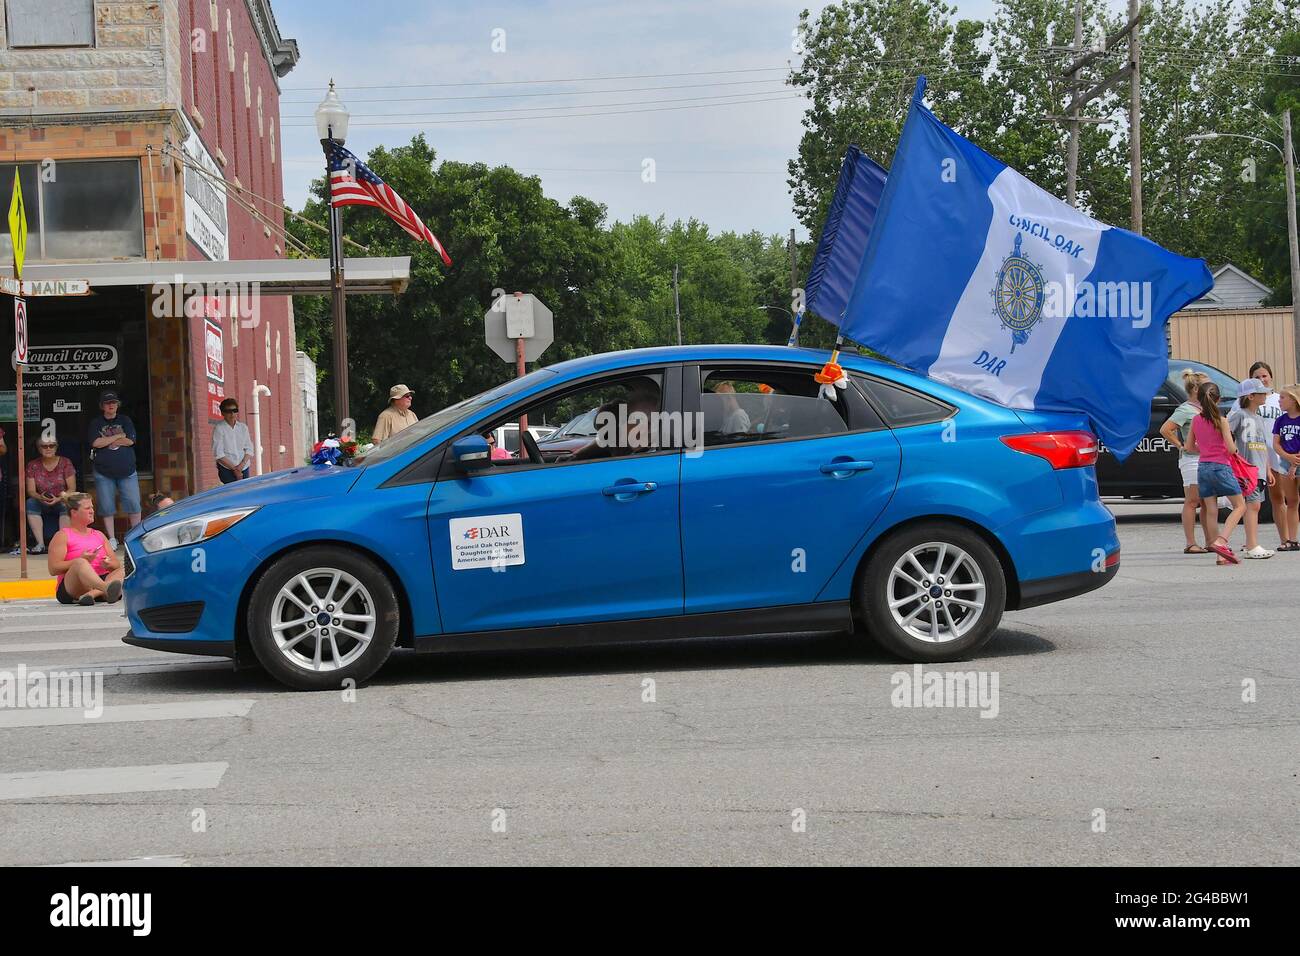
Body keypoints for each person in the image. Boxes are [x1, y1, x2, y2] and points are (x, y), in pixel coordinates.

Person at [1186, 381, 1246, 565]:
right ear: (1218, 399)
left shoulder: (1196, 420)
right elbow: (1230, 448)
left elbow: (1189, 447)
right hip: (1221, 466)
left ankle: (1219, 554)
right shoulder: (1221, 420)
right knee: (1240, 506)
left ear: (1200, 399)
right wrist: (1233, 449)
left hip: (1203, 467)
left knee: (1210, 510)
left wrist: (1204, 449)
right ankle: (1222, 541)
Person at [1159, 369, 1212, 554]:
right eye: (1207, 387)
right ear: (1197, 389)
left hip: (1207, 459)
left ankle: (1210, 540)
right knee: (1193, 500)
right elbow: (1166, 429)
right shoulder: (1186, 409)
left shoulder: (1205, 409)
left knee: (1207, 501)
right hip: (1191, 461)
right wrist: (1180, 445)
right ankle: (1190, 542)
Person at [47, 492, 123, 606]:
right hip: (74, 585)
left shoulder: (99, 534)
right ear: (74, 512)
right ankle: (105, 588)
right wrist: (81, 560)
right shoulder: (63, 535)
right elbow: (53, 569)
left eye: (92, 507)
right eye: (87, 508)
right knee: (80, 563)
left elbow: (116, 564)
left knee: (126, 569)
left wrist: (109, 564)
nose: (92, 511)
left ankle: (92, 594)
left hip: (100, 577)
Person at [87, 390, 141, 552]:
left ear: (118, 405)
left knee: (133, 502)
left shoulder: (125, 420)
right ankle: (111, 538)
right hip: (103, 471)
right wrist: (117, 437)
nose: (111, 405)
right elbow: (95, 443)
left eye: (113, 403)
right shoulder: (96, 423)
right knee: (106, 505)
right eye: (107, 403)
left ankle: (135, 536)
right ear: (102, 406)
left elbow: (130, 440)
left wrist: (107, 441)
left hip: (128, 470)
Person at [1228, 378, 1275, 558]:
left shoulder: (1259, 417)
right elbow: (1227, 435)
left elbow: (1263, 445)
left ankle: (1251, 543)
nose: (1265, 395)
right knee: (1252, 505)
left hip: (1259, 468)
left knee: (1254, 505)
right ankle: (1252, 545)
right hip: (1246, 467)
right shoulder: (1239, 415)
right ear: (1251, 396)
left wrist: (1268, 470)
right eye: (1261, 392)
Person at [1250, 361, 1288, 547]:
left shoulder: (1278, 400)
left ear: (1271, 377)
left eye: (1264, 376)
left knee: (1280, 497)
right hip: (1255, 454)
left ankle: (1286, 539)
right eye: (1257, 377)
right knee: (1251, 501)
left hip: (1278, 454)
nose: (1261, 379)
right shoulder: (1245, 400)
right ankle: (1250, 541)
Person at [23, 437, 76, 555]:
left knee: (66, 504)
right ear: (38, 448)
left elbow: (72, 488)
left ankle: (63, 544)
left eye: (51, 445)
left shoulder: (65, 462)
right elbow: (31, 491)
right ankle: (40, 544)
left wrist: (59, 498)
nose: (48, 448)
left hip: (61, 498)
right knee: (30, 502)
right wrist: (40, 497)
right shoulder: (33, 465)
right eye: (44, 446)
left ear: (56, 447)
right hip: (42, 499)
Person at [1271, 385, 1300, 550]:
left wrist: (1295, 463)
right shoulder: (1280, 420)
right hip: (1285, 461)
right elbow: (1276, 443)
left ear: (1294, 400)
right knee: (1292, 501)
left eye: (1283, 398)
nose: (1279, 401)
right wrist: (1287, 457)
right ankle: (1292, 539)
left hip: (1297, 460)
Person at [211, 397, 254, 483]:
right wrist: (235, 469)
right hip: (227, 469)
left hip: (244, 468)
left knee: (245, 492)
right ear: (223, 413)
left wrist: (241, 467)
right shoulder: (219, 429)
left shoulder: (243, 427)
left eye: (235, 410)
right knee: (231, 493)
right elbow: (218, 454)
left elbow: (249, 449)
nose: (232, 413)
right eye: (228, 411)